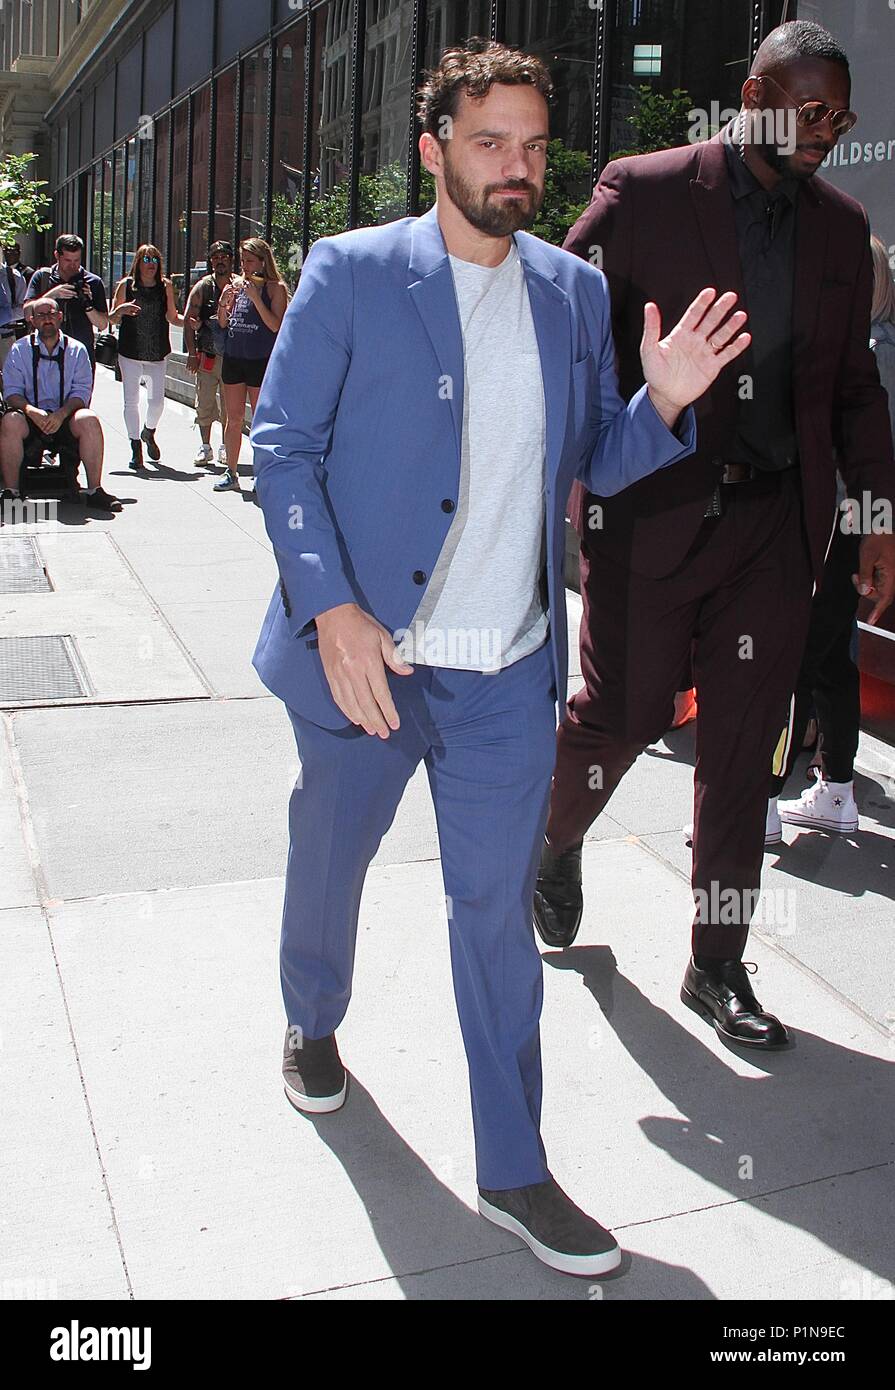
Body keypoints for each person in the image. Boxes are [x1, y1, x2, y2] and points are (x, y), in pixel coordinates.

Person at [251, 38, 748, 1278]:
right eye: (489, 142)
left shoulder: (570, 294)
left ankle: (514, 1167)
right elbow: (281, 443)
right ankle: (310, 1021)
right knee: (332, 859)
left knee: (493, 923)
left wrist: (664, 405)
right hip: (366, 664)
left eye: (533, 145)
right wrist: (332, 608)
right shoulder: (352, 272)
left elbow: (594, 457)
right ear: (433, 148)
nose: (516, 166)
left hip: (505, 677)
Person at [533, 20, 895, 1049]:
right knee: (621, 713)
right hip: (648, 515)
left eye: (842, 116)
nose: (826, 130)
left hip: (777, 530)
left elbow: (855, 389)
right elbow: (561, 336)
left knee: (743, 753)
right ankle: (555, 840)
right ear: (753, 92)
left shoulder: (838, 227)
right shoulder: (644, 191)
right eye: (809, 109)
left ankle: (717, 963)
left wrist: (876, 515)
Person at [770, 233, 895, 834]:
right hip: (863, 527)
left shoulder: (856, 358)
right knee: (831, 657)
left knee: (788, 657)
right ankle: (835, 788)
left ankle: (761, 802)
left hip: (831, 521)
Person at [0, 298, 119, 512]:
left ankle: (94, 490)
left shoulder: (77, 349)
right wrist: (31, 411)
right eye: (41, 315)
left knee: (89, 419)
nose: (47, 319)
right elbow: (11, 392)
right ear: (32, 320)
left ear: (60, 317)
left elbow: (81, 392)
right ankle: (12, 492)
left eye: (51, 314)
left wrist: (62, 414)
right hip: (31, 416)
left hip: (65, 416)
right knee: (10, 421)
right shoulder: (20, 349)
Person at [214, 237, 286, 491]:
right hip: (235, 356)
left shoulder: (274, 288)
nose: (244, 266)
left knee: (259, 419)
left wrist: (255, 297)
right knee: (233, 418)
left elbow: (276, 325)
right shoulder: (236, 285)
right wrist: (225, 301)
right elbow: (223, 323)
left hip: (260, 359)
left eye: (250, 260)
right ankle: (231, 471)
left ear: (263, 261)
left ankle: (260, 473)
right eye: (242, 260)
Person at [108, 244, 184, 470]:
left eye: (154, 260)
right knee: (131, 401)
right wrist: (121, 310)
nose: (151, 264)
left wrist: (190, 322)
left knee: (156, 402)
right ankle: (135, 447)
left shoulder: (165, 287)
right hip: (130, 351)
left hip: (157, 352)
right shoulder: (126, 286)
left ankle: (148, 432)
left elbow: (172, 316)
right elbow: (112, 318)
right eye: (146, 260)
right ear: (138, 263)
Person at [183, 241, 235, 468]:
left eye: (223, 256)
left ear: (231, 259)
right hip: (207, 355)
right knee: (204, 401)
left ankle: (226, 446)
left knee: (229, 405)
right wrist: (192, 353)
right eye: (215, 257)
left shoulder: (240, 285)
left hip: (234, 356)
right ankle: (205, 447)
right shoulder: (203, 287)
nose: (219, 261)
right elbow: (188, 319)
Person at [24, 234, 109, 371]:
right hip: (46, 354)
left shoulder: (93, 282)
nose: (73, 265)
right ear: (57, 255)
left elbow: (102, 324)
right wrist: (52, 295)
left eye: (77, 260)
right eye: (68, 260)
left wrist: (87, 303)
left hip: (80, 355)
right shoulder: (43, 277)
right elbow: (28, 313)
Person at [0, 256, 26, 374]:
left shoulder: (13, 276)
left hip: (6, 337)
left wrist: (5, 316)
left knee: (10, 381)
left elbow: (23, 308)